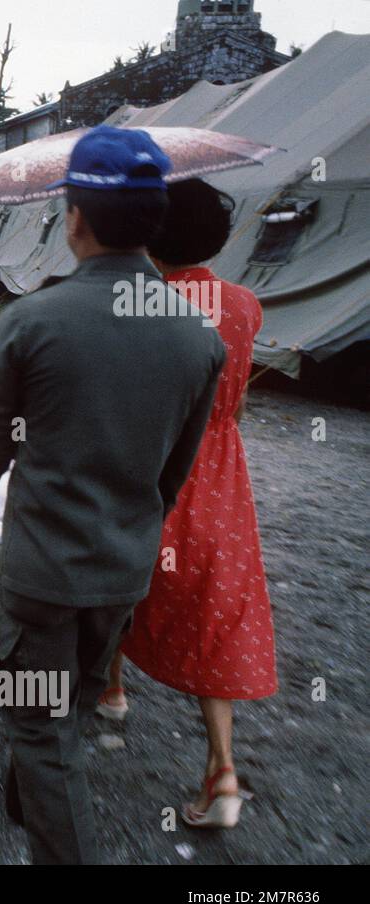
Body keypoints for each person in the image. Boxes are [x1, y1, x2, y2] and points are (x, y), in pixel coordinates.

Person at [0, 127, 226, 864]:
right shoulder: (197, 336)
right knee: (73, 708)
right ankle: (23, 799)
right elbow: (172, 474)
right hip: (121, 569)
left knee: (41, 728)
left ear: (77, 219)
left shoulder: (35, 321)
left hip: (46, 572)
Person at [98, 179, 276, 830]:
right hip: (220, 472)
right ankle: (222, 768)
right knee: (215, 607)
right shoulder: (245, 305)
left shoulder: (134, 303)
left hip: (148, 466)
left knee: (120, 580)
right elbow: (239, 403)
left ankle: (112, 690)